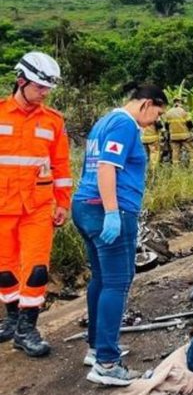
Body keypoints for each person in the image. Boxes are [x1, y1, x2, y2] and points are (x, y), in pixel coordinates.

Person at [72, 83, 168, 386]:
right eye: (157, 112)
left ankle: (97, 348)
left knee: (101, 280)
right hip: (108, 210)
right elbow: (106, 168)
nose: (155, 119)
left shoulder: (104, 121)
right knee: (117, 283)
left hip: (85, 207)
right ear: (146, 103)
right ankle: (107, 364)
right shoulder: (125, 125)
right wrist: (113, 212)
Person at [0, 51, 71, 358]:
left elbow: (61, 166)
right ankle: (12, 321)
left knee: (37, 269)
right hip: (2, 206)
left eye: (48, 89)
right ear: (21, 81)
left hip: (38, 207)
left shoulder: (53, 121)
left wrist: (62, 203)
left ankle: (27, 330)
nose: (45, 93)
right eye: (40, 87)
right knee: (4, 270)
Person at [163, 97, 193, 166]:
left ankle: (176, 168)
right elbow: (189, 123)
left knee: (175, 152)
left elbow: (166, 125)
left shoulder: (168, 112)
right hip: (185, 136)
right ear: (180, 102)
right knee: (191, 150)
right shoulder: (183, 111)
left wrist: (169, 133)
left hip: (174, 136)